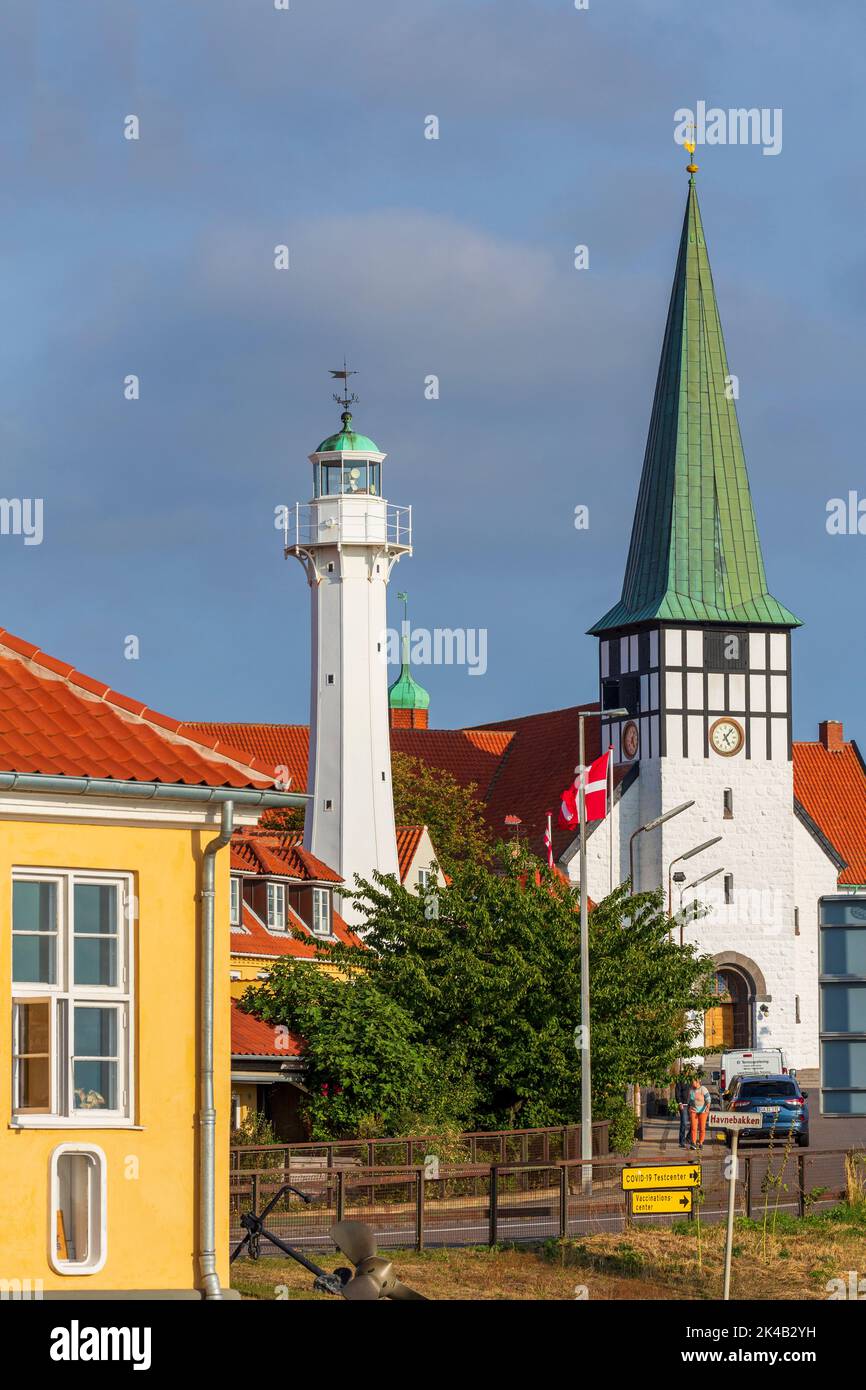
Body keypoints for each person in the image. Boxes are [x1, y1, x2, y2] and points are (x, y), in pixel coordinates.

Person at [688, 1072, 712, 1151]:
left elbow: (708, 1099)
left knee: (702, 1128)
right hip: (693, 1110)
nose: (692, 1083)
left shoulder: (703, 1089)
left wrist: (707, 1108)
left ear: (697, 1082)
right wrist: (689, 1109)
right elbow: (690, 1101)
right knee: (694, 1128)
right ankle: (693, 1143)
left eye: (693, 1082)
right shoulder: (691, 1090)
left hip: (703, 1111)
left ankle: (701, 1143)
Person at [675, 1072, 692, 1148]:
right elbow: (677, 1093)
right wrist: (680, 1103)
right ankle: (681, 1142)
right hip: (684, 1105)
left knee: (694, 1124)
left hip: (692, 1105)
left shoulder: (691, 1081)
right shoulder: (680, 1082)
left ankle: (688, 1138)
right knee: (684, 1123)